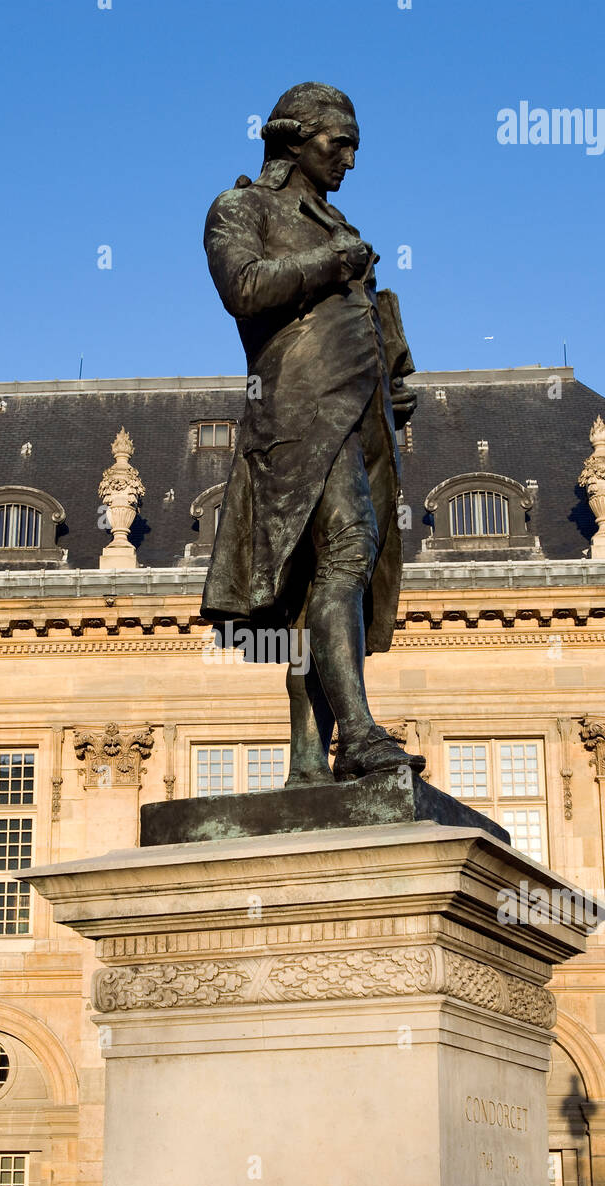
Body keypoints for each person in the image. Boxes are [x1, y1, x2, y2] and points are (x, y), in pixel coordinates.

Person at [201, 82, 422, 785]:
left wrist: (394, 373)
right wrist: (333, 266)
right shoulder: (243, 208)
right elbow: (243, 287)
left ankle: (306, 765)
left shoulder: (338, 227)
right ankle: (355, 734)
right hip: (299, 417)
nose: (351, 159)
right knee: (347, 553)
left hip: (360, 419)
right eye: (340, 142)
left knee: (315, 591)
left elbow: (358, 328)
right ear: (292, 139)